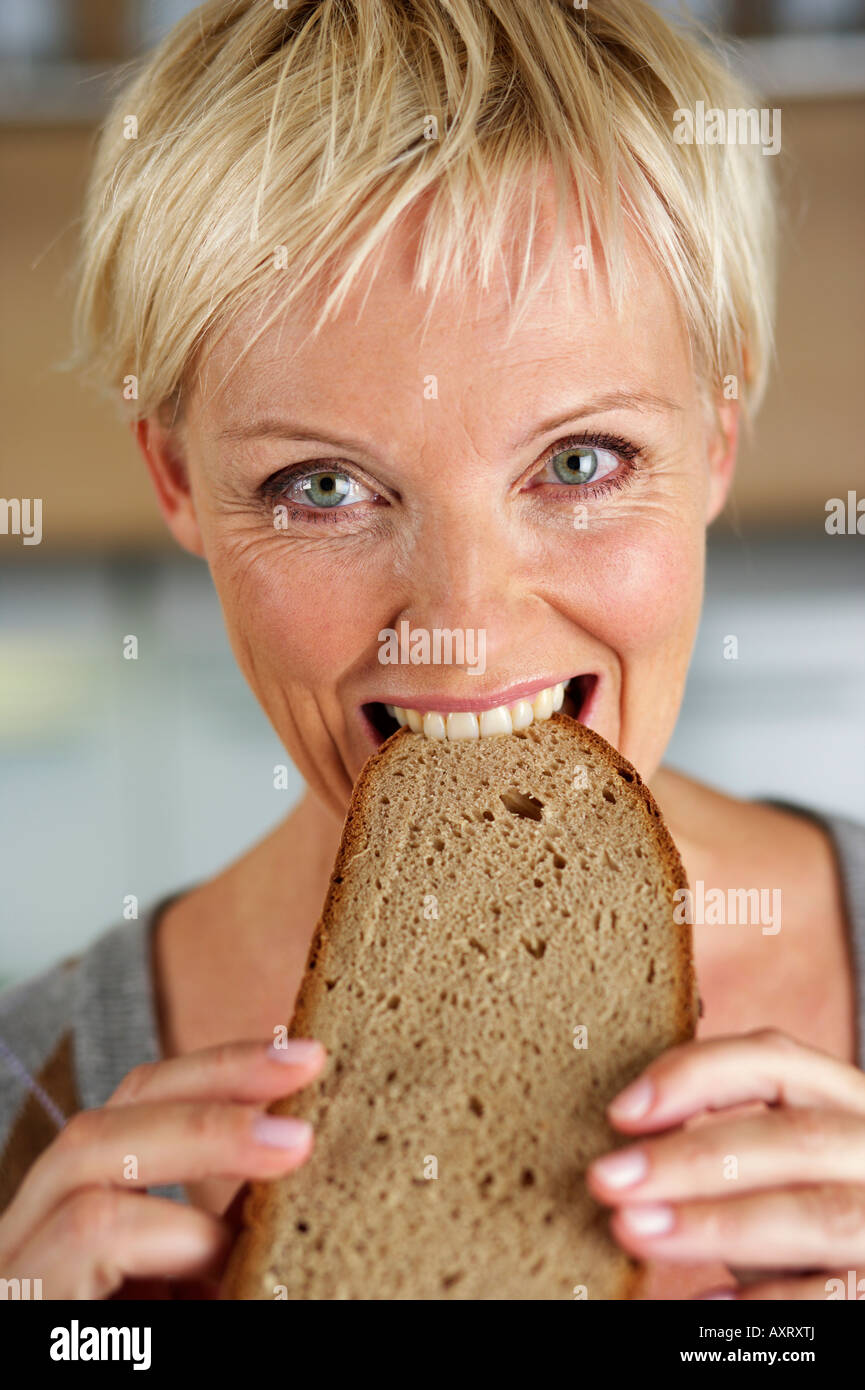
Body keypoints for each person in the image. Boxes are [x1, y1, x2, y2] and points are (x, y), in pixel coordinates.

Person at [1, 0, 863, 1301]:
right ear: (176, 479)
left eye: (580, 461)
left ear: (716, 439)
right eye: (322, 488)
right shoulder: (29, 1101)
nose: (463, 620)